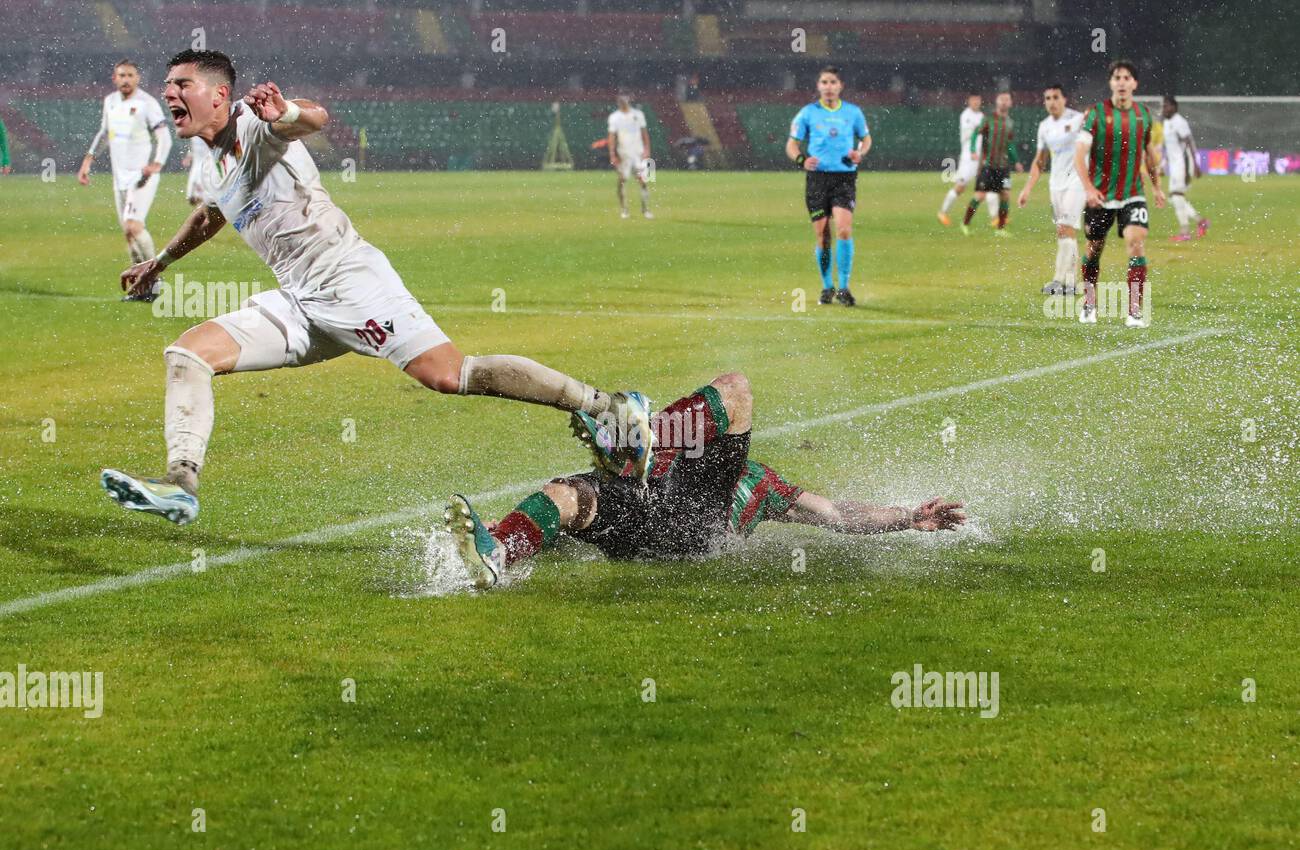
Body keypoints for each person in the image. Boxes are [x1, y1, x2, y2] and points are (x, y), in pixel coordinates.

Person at [101, 49, 651, 528]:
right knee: (188, 353)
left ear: (220, 94)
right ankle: (182, 483)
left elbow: (311, 119)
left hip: (352, 284)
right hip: (298, 299)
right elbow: (214, 212)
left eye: (181, 85)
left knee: (450, 374)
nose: (168, 92)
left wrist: (287, 111)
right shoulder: (213, 151)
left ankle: (606, 407)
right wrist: (161, 261)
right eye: (167, 85)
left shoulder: (253, 124)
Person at [446, 372, 966, 588]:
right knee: (565, 497)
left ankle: (632, 429)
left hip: (695, 530)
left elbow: (836, 515)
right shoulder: (670, 466)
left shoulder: (756, 482)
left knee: (736, 388)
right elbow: (833, 516)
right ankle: (497, 559)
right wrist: (519, 529)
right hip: (650, 527)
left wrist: (906, 517)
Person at [1073, 60, 1166, 327]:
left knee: (1136, 242)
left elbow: (1149, 154)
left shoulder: (1144, 115)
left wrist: (1157, 187)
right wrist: (1089, 188)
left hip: (1133, 193)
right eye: (1117, 77)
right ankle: (1089, 303)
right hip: (1100, 196)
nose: (1122, 82)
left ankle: (1135, 311)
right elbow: (1079, 155)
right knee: (1094, 249)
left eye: (1127, 77)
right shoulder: (1095, 114)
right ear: (1111, 83)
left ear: (1135, 84)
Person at [77, 60, 172, 300]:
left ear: (138, 78)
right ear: (114, 78)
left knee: (133, 225)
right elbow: (103, 133)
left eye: (130, 75)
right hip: (119, 177)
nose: (126, 79)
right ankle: (140, 288)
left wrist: (156, 164)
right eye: (122, 75)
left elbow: (164, 137)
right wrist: (88, 159)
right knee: (128, 233)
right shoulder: (110, 101)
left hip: (142, 175)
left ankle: (155, 280)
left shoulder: (147, 103)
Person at [785, 65, 872, 306]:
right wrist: (802, 159)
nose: (828, 87)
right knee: (822, 236)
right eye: (824, 82)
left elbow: (866, 139)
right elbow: (792, 145)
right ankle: (827, 287)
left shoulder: (853, 113)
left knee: (844, 229)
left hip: (844, 177)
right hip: (818, 179)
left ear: (840, 86)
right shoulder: (807, 113)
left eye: (833, 82)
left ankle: (844, 287)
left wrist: (860, 153)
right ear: (818, 86)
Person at [1017, 85, 1085, 295]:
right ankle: (1068, 282)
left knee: (1067, 227)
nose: (1052, 102)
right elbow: (1040, 161)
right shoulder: (1044, 127)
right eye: (1048, 98)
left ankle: (1064, 280)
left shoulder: (1078, 119)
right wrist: (1027, 188)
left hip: (1076, 182)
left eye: (1056, 97)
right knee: (1062, 231)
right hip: (1055, 184)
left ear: (1065, 99)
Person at [961, 91, 1023, 236]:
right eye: (1001, 99)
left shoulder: (1010, 122)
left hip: (1003, 166)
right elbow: (976, 134)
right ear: (997, 102)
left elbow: (1010, 144)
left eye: (1007, 100)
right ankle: (965, 224)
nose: (1004, 102)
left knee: (1005, 195)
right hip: (988, 165)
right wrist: (972, 150)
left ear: (1010, 103)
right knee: (980, 196)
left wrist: (1016, 161)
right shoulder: (988, 119)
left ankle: (1000, 230)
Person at [1160, 95, 1208, 242]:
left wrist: (1195, 165)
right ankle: (1200, 221)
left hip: (1183, 164)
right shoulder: (1167, 123)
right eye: (1163, 106)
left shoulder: (1179, 122)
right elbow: (1170, 148)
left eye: (1166, 106)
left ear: (1174, 107)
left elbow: (1189, 142)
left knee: (1176, 195)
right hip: (1175, 165)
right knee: (1174, 198)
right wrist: (1163, 165)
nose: (1164, 109)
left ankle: (1185, 231)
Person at [937, 93, 983, 226]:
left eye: (978, 99)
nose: (976, 102)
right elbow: (971, 133)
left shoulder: (982, 116)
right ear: (969, 101)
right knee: (961, 187)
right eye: (973, 99)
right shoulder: (965, 115)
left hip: (980, 158)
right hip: (968, 157)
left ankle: (995, 219)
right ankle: (943, 212)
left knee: (987, 188)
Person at [608, 94, 652, 219]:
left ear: (629, 100)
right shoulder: (614, 117)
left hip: (638, 153)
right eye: (620, 100)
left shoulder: (638, 114)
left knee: (644, 181)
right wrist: (612, 154)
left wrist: (647, 149)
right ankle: (624, 210)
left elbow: (644, 133)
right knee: (622, 180)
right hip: (624, 154)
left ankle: (646, 209)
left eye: (624, 99)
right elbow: (612, 137)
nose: (622, 102)